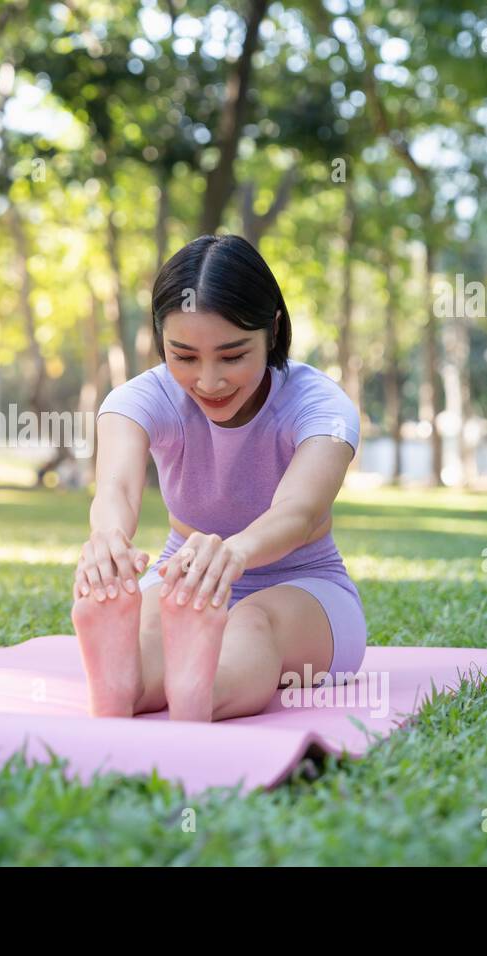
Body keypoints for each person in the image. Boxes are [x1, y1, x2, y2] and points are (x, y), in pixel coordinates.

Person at [71, 234, 367, 722]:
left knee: (251, 623)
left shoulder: (320, 406)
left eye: (232, 356)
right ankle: (122, 688)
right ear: (160, 337)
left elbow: (297, 512)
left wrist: (233, 556)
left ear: (272, 330)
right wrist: (108, 542)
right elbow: (117, 489)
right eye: (184, 356)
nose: (209, 381)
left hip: (306, 586)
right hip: (180, 578)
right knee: (149, 629)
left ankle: (200, 693)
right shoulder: (138, 400)